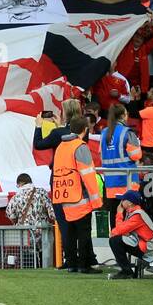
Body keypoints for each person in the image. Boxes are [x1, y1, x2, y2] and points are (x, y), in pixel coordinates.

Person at [34, 103, 100, 273]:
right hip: (78, 190)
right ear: (84, 129)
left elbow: (39, 145)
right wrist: (96, 199)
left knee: (66, 227)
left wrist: (39, 127)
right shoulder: (79, 143)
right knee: (83, 230)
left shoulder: (61, 142)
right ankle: (85, 263)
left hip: (60, 188)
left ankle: (70, 261)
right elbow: (87, 174)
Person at [98, 104, 143, 213]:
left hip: (110, 183)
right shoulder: (127, 132)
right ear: (123, 115)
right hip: (127, 182)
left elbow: (101, 154)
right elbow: (136, 155)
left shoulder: (104, 132)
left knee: (114, 218)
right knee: (129, 219)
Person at [5, 172, 57, 264]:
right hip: (42, 233)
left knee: (28, 262)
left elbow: (10, 214)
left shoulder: (16, 197)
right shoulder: (42, 192)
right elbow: (52, 213)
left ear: (20, 183)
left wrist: (18, 221)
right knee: (44, 261)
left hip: (25, 235)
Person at [107, 190, 153, 279]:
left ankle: (126, 272)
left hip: (146, 248)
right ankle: (126, 271)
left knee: (115, 240)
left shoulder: (137, 215)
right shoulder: (134, 212)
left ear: (130, 203)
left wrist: (119, 213)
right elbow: (121, 231)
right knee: (116, 240)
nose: (121, 202)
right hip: (144, 244)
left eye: (123, 200)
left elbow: (117, 231)